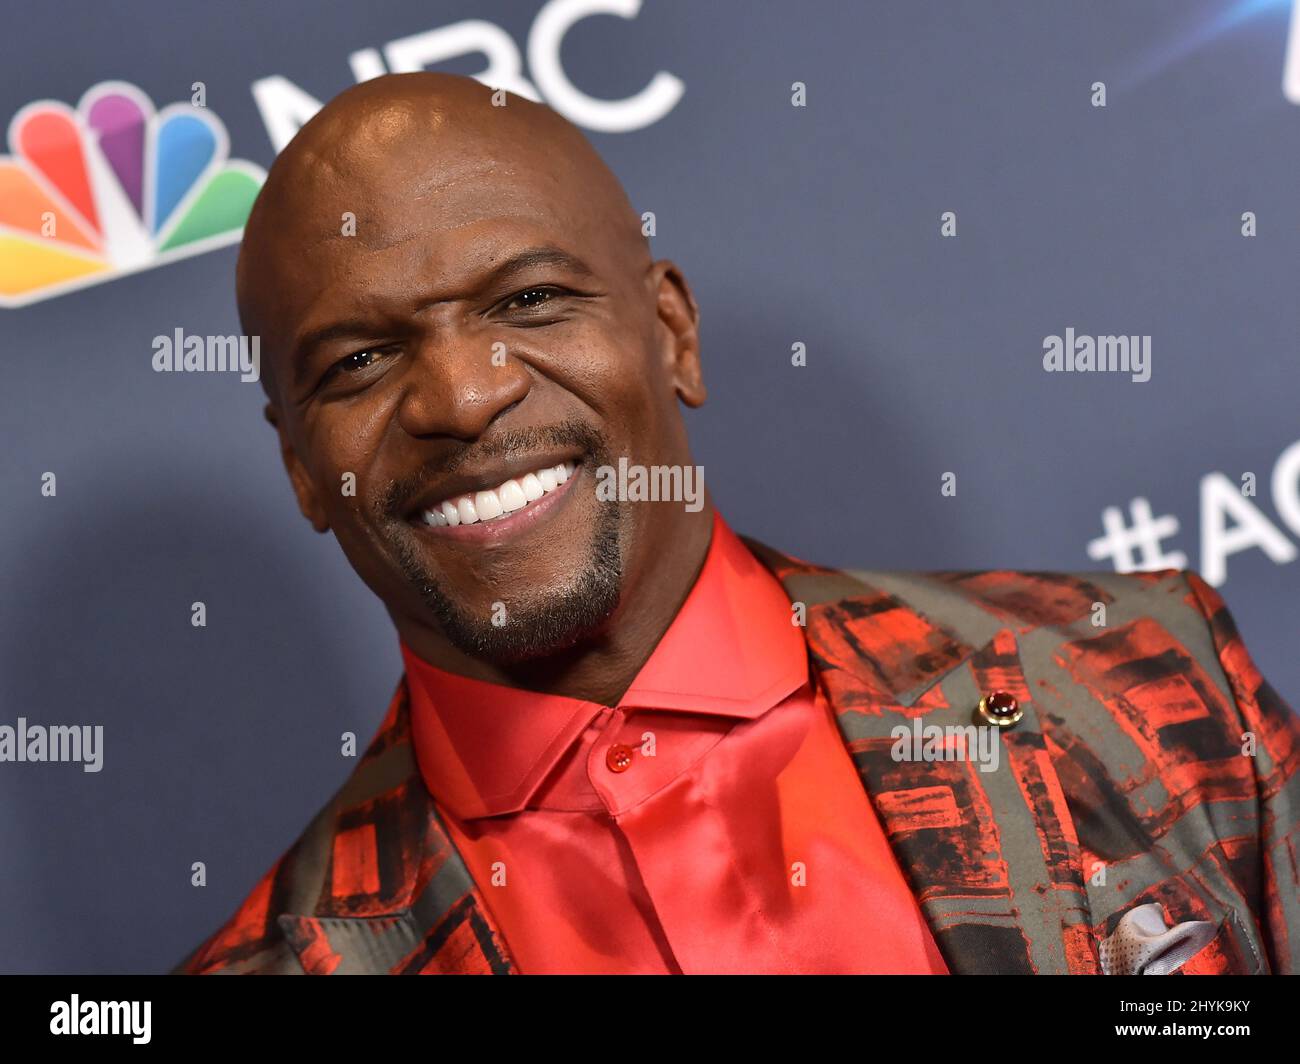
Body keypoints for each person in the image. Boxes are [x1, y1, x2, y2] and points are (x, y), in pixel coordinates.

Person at [173, 72, 1298, 975]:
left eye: (527, 301)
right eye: (359, 361)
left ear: (671, 333)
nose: (462, 397)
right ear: (303, 469)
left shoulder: (1143, 673)